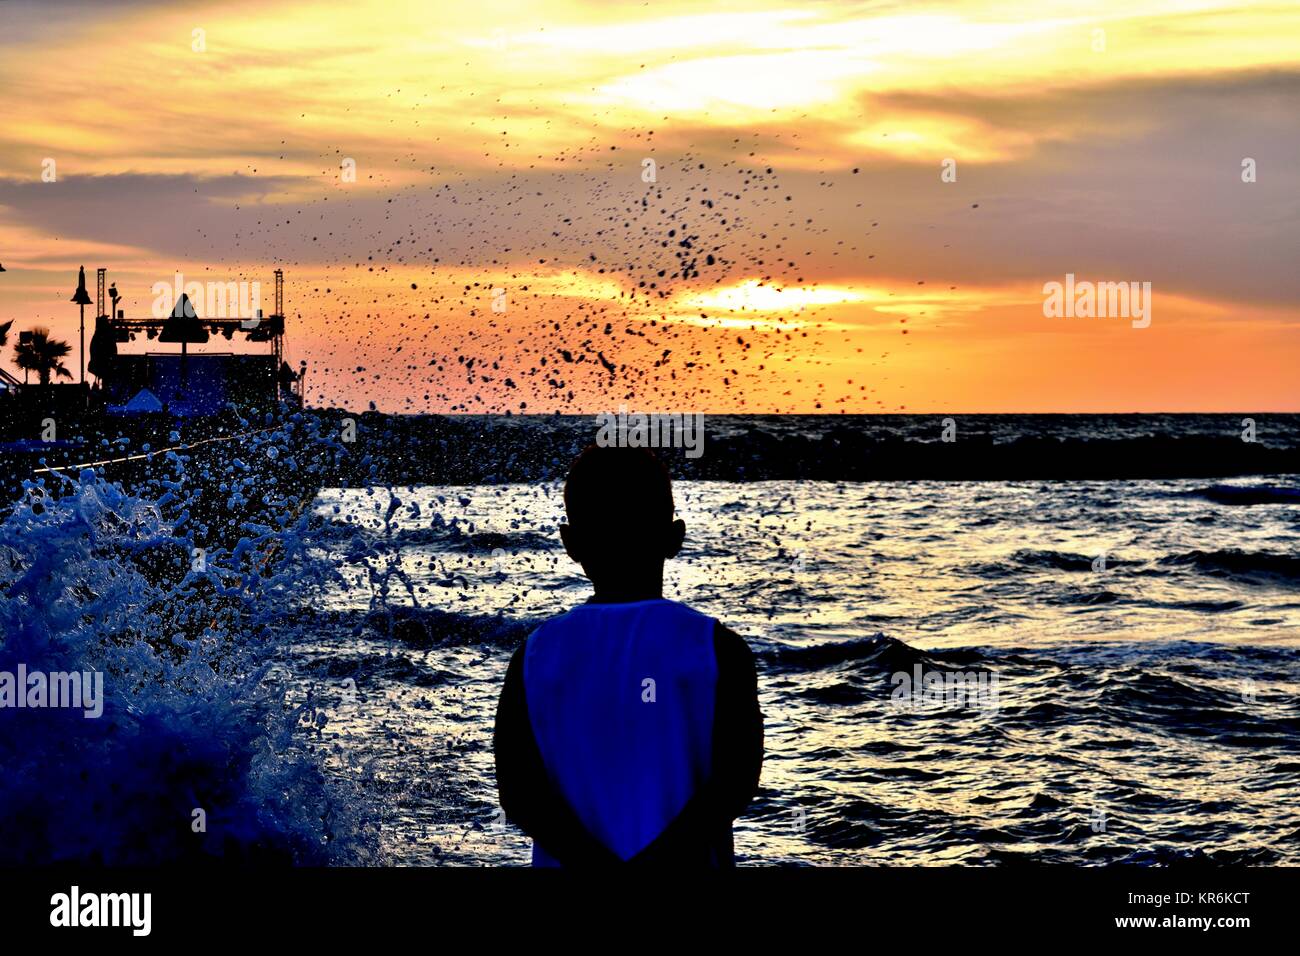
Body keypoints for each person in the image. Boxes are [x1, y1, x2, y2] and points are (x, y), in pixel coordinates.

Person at [494, 445, 763, 866]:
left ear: (571, 543)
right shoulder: (716, 647)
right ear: (674, 537)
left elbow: (520, 795)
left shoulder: (533, 655)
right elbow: (734, 784)